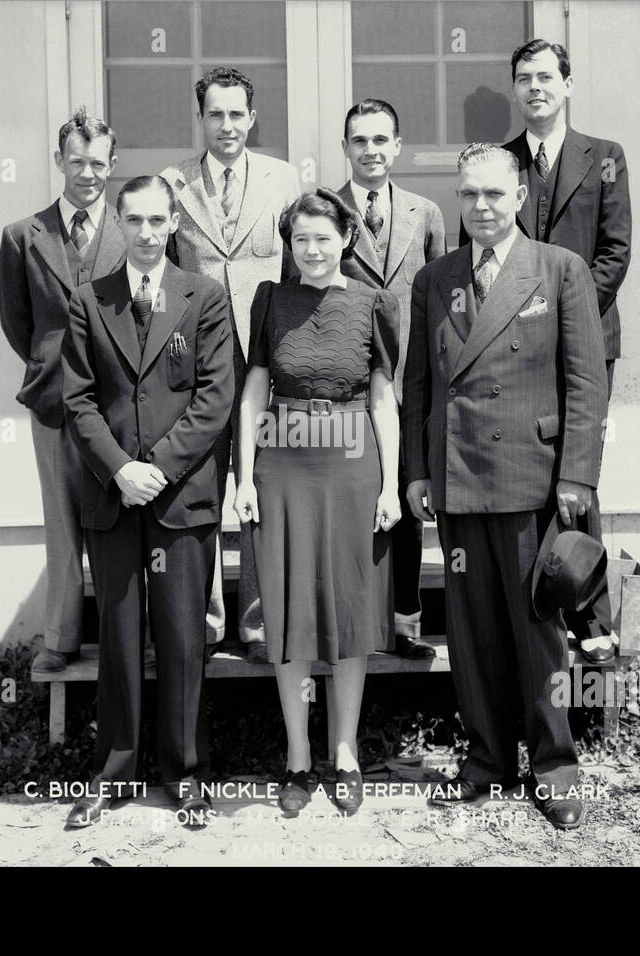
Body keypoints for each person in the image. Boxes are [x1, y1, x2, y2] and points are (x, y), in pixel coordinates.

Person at [404, 144, 608, 829]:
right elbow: (418, 387)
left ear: (519, 197)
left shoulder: (559, 270)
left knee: (539, 634)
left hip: (532, 480)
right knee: (473, 632)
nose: (482, 208)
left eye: (494, 194)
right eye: (469, 196)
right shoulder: (436, 279)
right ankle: (488, 757)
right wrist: (417, 471)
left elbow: (585, 383)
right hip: (460, 478)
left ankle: (554, 766)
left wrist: (576, 475)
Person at [60, 175, 234, 828]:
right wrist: (118, 470)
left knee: (185, 640)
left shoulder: (204, 298)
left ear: (172, 225)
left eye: (159, 220)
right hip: (112, 499)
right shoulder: (89, 300)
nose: (147, 231)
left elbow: (215, 398)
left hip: (179, 498)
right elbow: (77, 399)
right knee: (120, 638)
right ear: (119, 222)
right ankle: (115, 773)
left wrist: (154, 469)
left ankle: (187, 775)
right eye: (134, 219)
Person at [458, 39, 632, 663]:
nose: (535, 87)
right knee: (528, 472)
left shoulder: (604, 157)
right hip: (511, 343)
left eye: (546, 77)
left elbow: (616, 250)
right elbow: (476, 257)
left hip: (586, 340)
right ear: (514, 89)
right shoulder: (495, 165)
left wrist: (570, 314)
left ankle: (589, 613)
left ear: (568, 83)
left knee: (577, 471)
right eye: (524, 78)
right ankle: (529, 603)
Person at [233, 188, 401, 816]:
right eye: (300, 238)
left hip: (353, 466)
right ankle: (299, 758)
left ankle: (346, 753)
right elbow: (253, 392)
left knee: (350, 615)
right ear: (289, 243)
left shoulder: (371, 303)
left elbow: (383, 400)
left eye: (323, 237)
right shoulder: (270, 300)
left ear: (346, 239)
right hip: (284, 465)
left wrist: (390, 485)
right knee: (291, 613)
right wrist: (243, 478)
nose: (311, 249)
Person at [162, 66, 304, 663]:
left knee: (261, 491)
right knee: (201, 494)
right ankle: (206, 619)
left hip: (264, 364)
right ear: (201, 118)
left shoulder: (284, 179)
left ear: (253, 117)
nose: (226, 125)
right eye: (215, 114)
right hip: (199, 370)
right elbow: (164, 277)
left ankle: (257, 621)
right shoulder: (174, 184)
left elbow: (298, 269)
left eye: (236, 114)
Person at [0, 108, 127, 673]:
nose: (88, 173)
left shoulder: (135, 232)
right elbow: (16, 322)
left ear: (113, 164)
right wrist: (51, 365)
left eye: (98, 163)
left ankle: (130, 634)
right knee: (61, 520)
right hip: (53, 401)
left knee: (120, 518)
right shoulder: (23, 236)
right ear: (59, 162)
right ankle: (62, 635)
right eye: (77, 161)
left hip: (120, 401)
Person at [337, 98, 446, 659]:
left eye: (381, 140)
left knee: (405, 500)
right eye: (360, 140)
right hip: (346, 386)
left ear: (398, 146)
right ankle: (353, 618)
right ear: (345, 148)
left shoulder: (425, 213)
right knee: (353, 502)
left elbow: (439, 303)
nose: (371, 151)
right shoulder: (324, 212)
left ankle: (405, 620)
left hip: (406, 386)